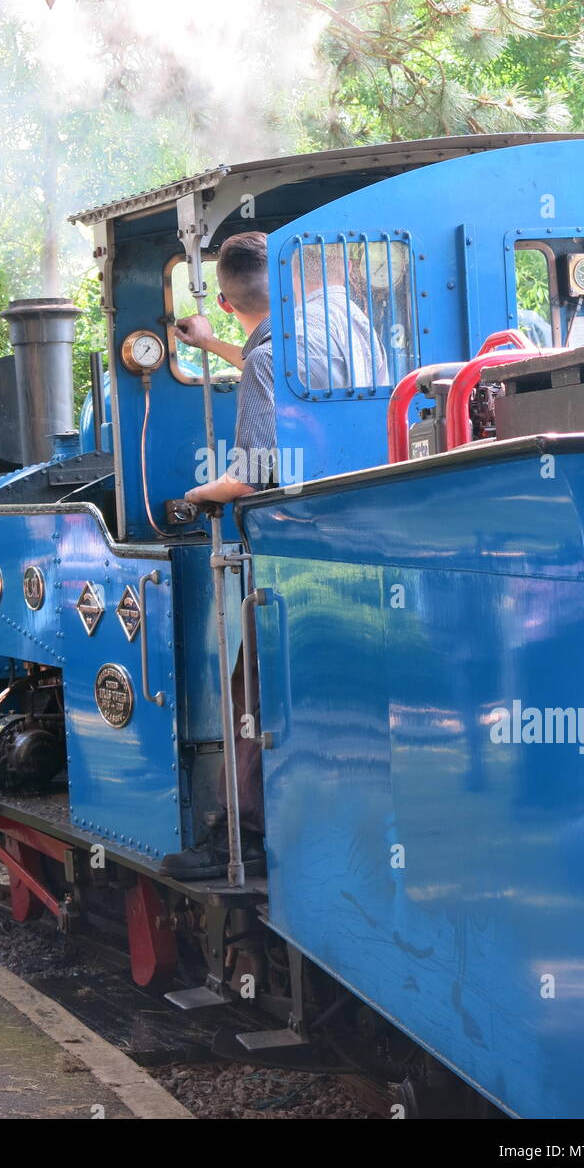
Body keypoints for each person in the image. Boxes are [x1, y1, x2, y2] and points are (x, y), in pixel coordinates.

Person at [162, 232, 385, 879]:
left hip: (298, 554)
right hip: (367, 539)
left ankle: (245, 837)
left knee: (248, 695)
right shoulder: (342, 317)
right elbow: (271, 362)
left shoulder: (267, 360)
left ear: (228, 303)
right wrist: (208, 346)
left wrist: (201, 492)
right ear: (288, 283)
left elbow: (255, 473)